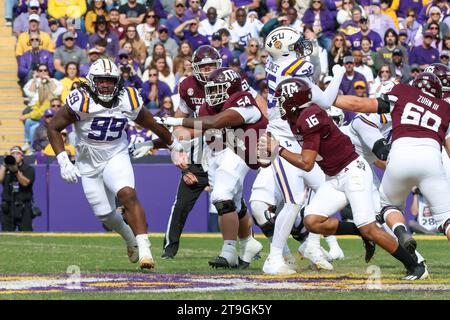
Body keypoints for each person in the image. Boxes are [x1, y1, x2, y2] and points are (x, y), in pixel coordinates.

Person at [259, 77, 428, 280]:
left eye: (281, 99)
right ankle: (361, 232)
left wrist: (278, 149)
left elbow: (307, 163)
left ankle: (415, 265)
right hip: (334, 176)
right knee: (312, 221)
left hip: (353, 172)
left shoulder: (309, 116)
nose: (279, 104)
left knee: (370, 227)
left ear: (293, 100)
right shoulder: (295, 119)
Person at [47, 58, 187, 269]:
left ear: (118, 81)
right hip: (88, 163)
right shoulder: (80, 99)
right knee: (105, 214)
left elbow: (150, 122)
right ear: (92, 81)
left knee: (127, 194)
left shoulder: (127, 98)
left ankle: (145, 251)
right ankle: (129, 238)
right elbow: (53, 128)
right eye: (101, 80)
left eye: (110, 80)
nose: (105, 84)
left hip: (116, 154)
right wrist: (63, 160)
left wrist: (172, 142)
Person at [251, 26, 346, 275]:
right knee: (293, 202)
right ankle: (273, 258)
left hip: (294, 135)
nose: (303, 47)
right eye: (296, 45)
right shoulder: (294, 69)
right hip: (283, 140)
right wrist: (338, 75)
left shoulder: (275, 64)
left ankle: (312, 244)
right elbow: (324, 101)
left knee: (326, 189)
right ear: (284, 51)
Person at [152, 67, 266, 269]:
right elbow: (190, 133)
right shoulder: (207, 108)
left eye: (218, 89)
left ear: (231, 88)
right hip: (216, 154)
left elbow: (217, 121)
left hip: (240, 151)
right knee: (235, 205)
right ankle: (248, 243)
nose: (212, 94)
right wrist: (154, 143)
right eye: (210, 90)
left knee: (221, 198)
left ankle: (230, 251)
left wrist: (176, 120)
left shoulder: (243, 101)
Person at [334, 72, 450, 251]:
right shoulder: (444, 107)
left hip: (400, 154)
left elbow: (358, 104)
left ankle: (400, 230)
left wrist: (326, 98)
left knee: (388, 205)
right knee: (446, 219)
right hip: (431, 158)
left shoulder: (403, 92)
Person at [0, 146, 35, 232]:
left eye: (17, 154)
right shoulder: (5, 169)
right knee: (6, 234)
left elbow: (25, 183)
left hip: (23, 207)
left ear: (22, 156)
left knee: (26, 233)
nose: (15, 156)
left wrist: (16, 171)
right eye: (12, 154)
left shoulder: (28, 169)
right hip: (8, 207)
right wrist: (4, 166)